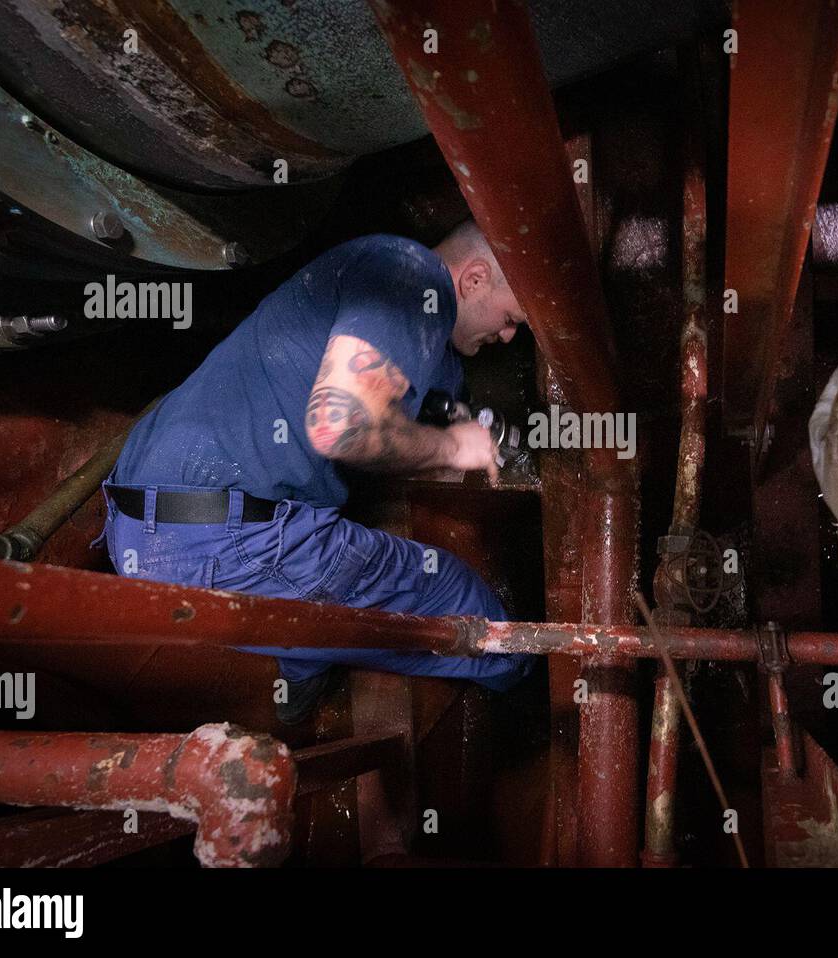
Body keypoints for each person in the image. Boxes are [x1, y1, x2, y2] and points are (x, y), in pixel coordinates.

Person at [97, 222, 535, 723]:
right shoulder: (414, 279)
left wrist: (454, 415)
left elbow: (424, 383)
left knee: (312, 575)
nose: (507, 336)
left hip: (132, 515)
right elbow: (342, 427)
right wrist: (454, 446)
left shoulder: (375, 265)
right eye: (510, 319)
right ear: (474, 279)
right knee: (454, 593)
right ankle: (525, 681)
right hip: (222, 544)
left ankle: (303, 668)